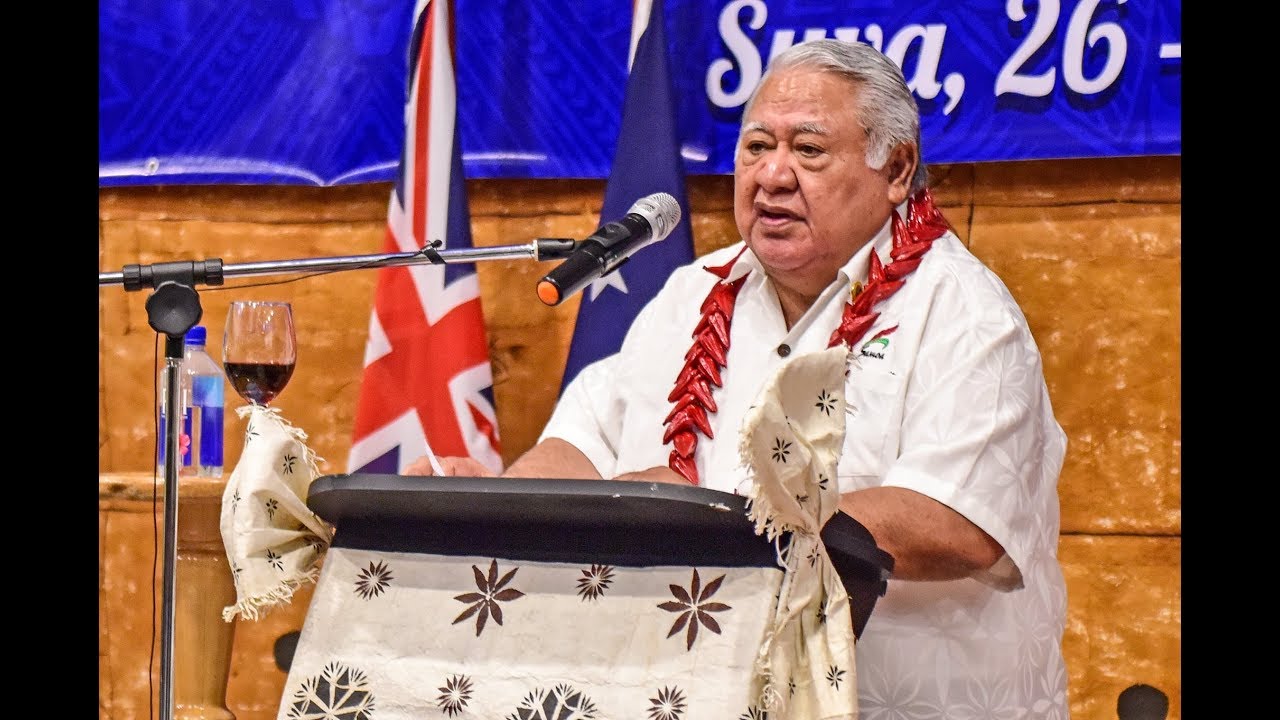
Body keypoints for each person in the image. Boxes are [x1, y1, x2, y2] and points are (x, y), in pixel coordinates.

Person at [408, 38, 1070, 719]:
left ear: (896, 169)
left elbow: (957, 522)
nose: (773, 174)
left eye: (808, 149)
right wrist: (495, 503)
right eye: (756, 147)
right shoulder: (691, 291)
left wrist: (710, 522)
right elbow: (585, 445)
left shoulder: (962, 310)